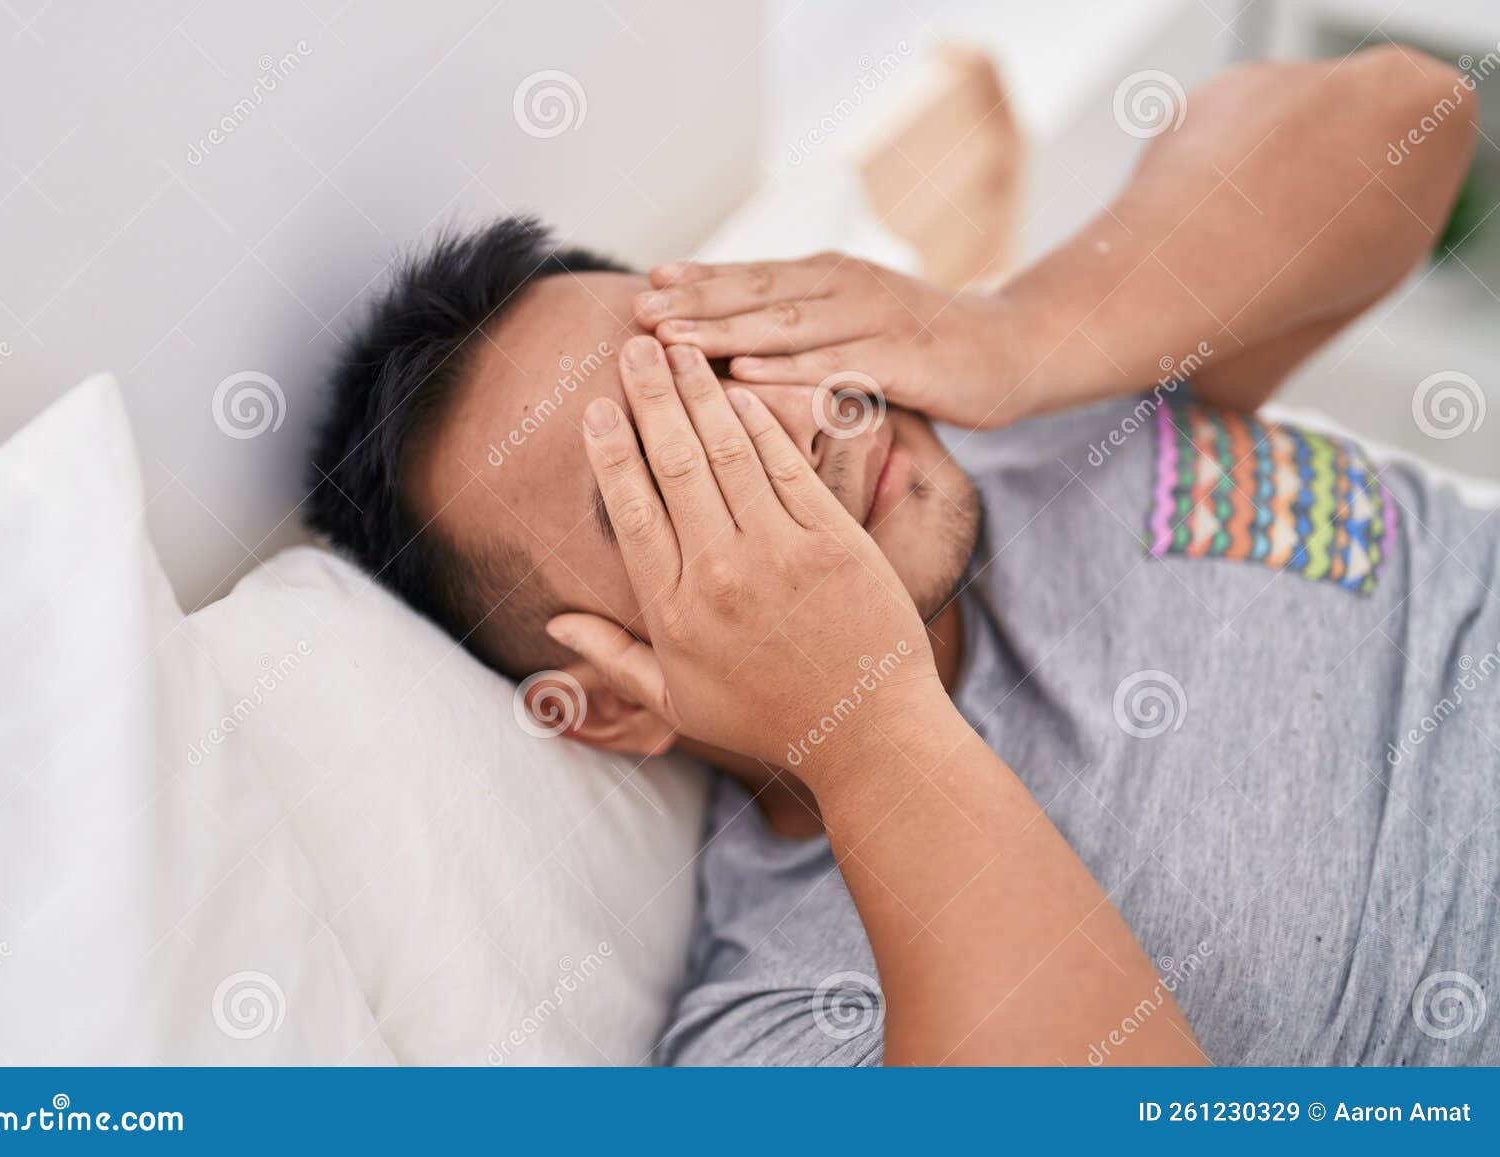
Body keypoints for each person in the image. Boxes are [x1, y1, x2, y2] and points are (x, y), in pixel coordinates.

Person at [306, 47, 1496, 1064]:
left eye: (721, 361)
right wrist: (863, 720)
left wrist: (1025, 329)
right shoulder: (785, 1022)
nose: (791, 426)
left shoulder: (1035, 405)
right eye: (675, 474)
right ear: (613, 700)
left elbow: (1410, 113)